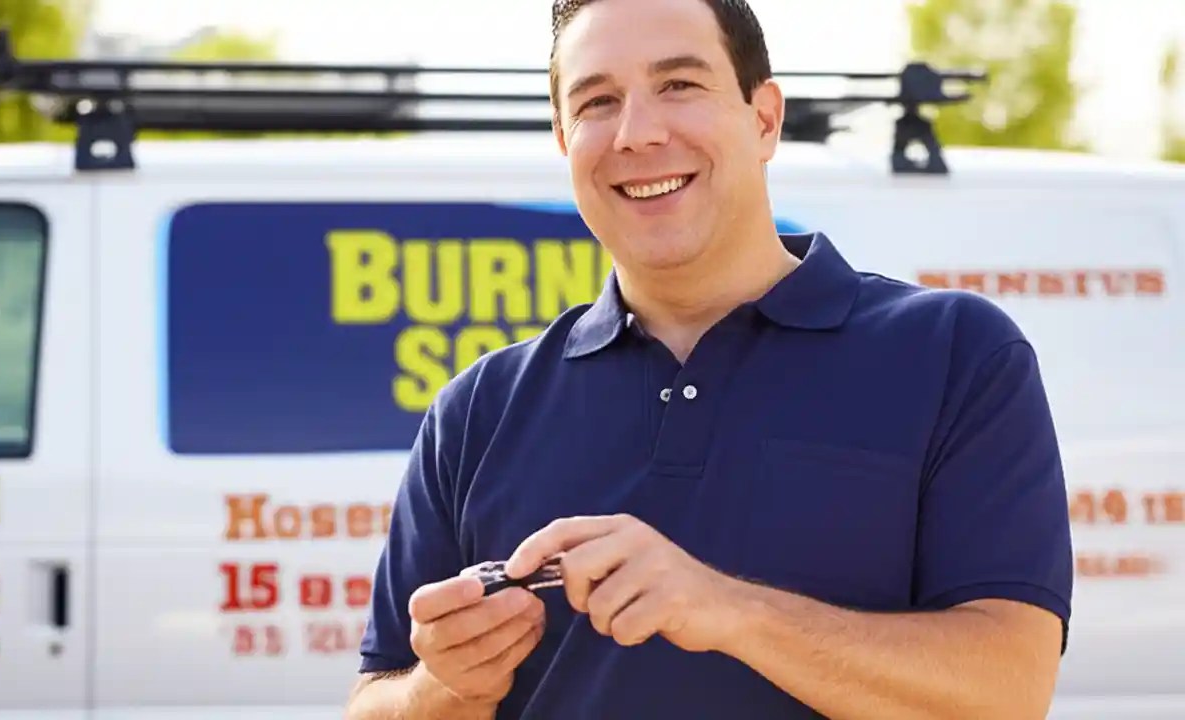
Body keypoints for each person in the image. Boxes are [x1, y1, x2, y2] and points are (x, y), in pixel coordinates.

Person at [345, 0, 1074, 717]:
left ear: (764, 119)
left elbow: (1008, 692)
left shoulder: (953, 354)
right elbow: (375, 703)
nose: (637, 132)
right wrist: (448, 687)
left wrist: (729, 610)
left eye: (678, 85)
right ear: (566, 142)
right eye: (598, 101)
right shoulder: (478, 408)